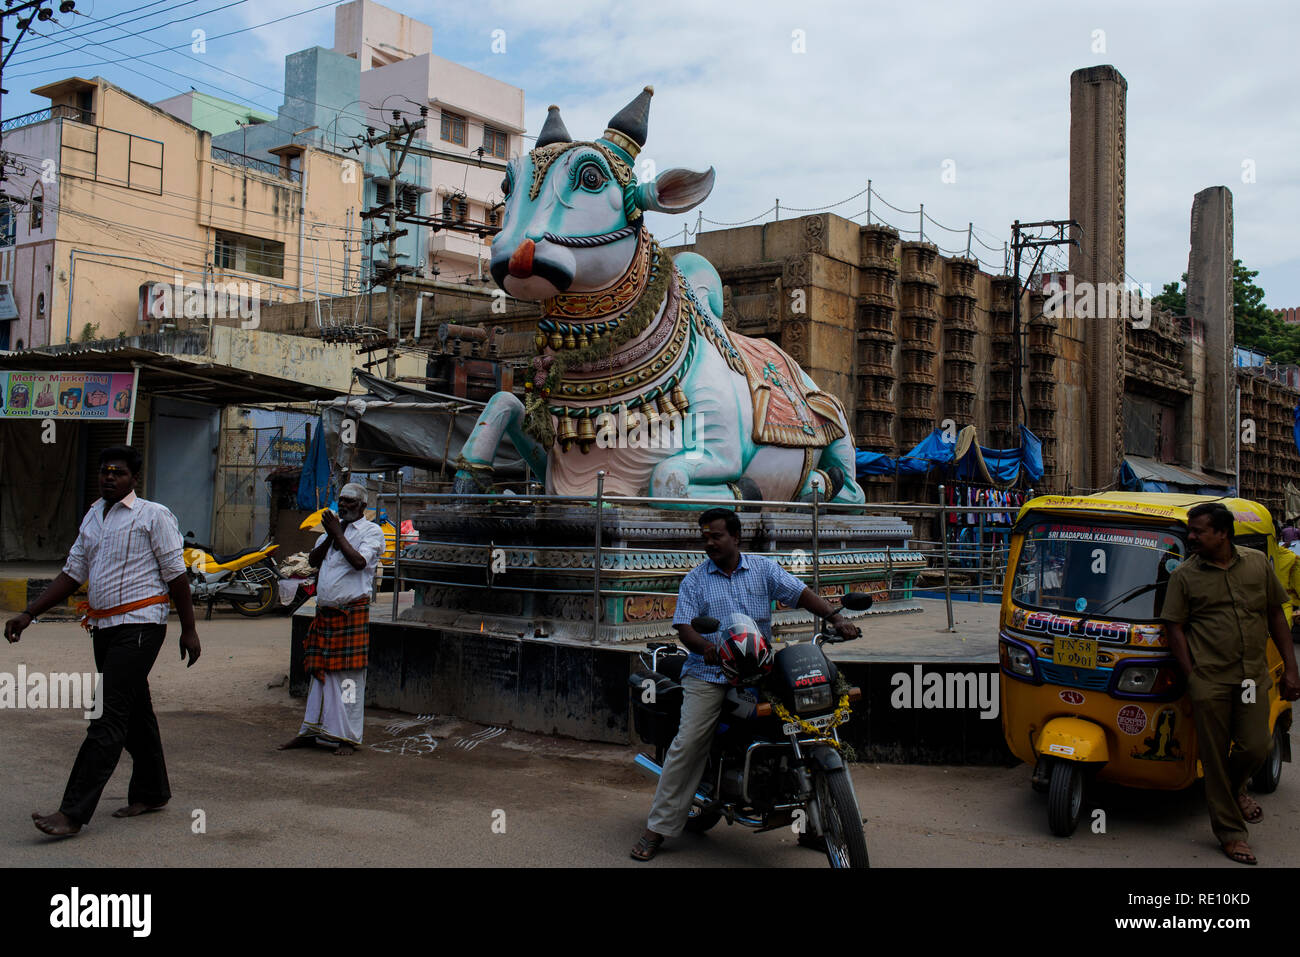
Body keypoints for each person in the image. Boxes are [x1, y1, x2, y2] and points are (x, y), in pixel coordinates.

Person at [630, 507, 861, 861]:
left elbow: (800, 593)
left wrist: (835, 617)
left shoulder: (764, 569)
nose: (709, 542)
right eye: (705, 537)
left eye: (716, 536)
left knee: (806, 725)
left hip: (761, 669)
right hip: (711, 674)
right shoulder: (695, 580)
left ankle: (815, 825)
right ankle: (657, 828)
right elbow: (684, 627)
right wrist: (706, 648)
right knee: (689, 742)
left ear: (735, 537)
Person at [4, 445, 200, 838]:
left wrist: (189, 629)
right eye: (105, 471)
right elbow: (72, 573)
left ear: (133, 478)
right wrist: (30, 613)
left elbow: (176, 576)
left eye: (119, 472)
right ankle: (152, 791)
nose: (110, 477)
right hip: (104, 628)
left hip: (141, 626)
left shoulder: (153, 515)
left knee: (106, 715)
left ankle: (72, 812)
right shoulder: (94, 515)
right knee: (134, 714)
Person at [1162, 502, 1300, 865]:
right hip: (1210, 680)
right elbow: (1173, 626)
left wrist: (1291, 668)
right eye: (1190, 530)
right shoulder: (1185, 575)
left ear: (1223, 534)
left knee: (1255, 746)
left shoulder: (1256, 564)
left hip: (1252, 676)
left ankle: (1235, 790)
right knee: (1213, 757)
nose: (1190, 537)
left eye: (1198, 531)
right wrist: (1192, 675)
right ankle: (1232, 834)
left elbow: (1275, 614)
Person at [279, 483, 385, 756]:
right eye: (341, 501)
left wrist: (338, 534)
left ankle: (348, 738)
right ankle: (312, 730)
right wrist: (330, 535)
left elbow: (359, 562)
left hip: (350, 613)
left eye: (350, 502)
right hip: (325, 614)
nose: (344, 506)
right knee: (320, 675)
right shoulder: (330, 533)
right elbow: (314, 560)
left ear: (362, 506)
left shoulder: (371, 532)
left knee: (348, 680)